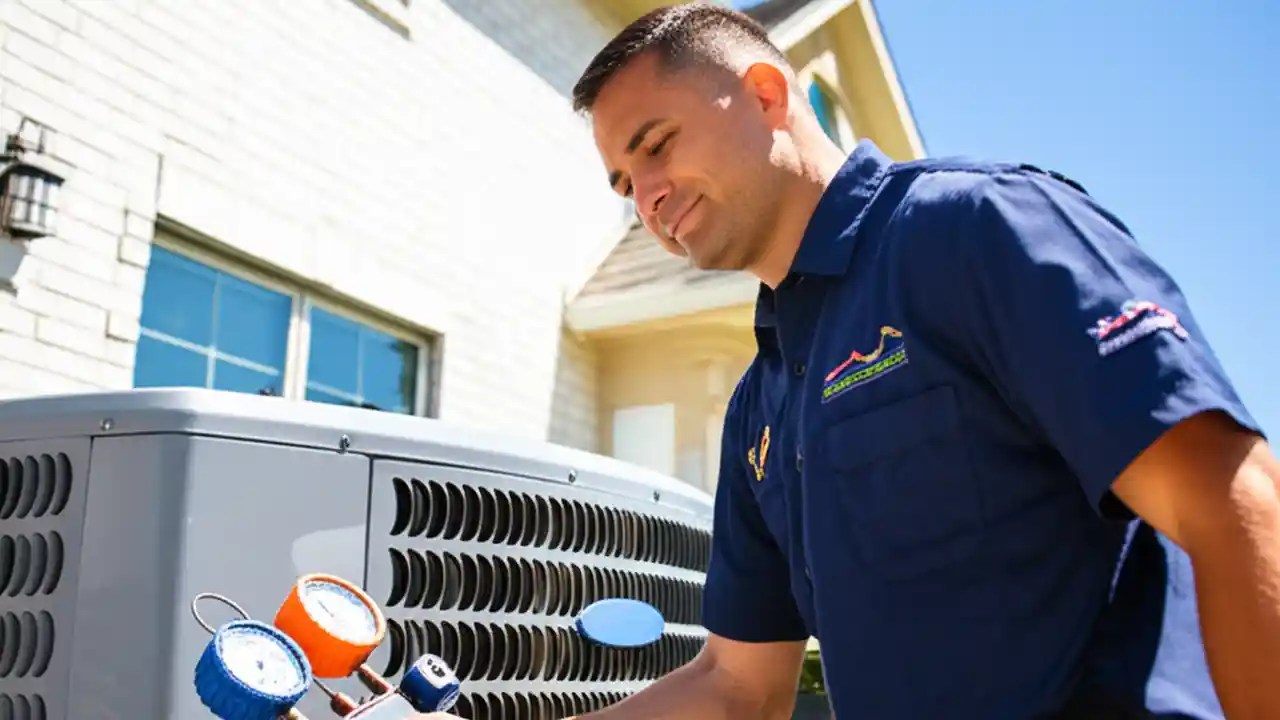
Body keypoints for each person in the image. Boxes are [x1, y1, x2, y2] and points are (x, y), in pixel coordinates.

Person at [417, 3, 1280, 719]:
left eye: (656, 144)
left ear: (764, 94)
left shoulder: (972, 231)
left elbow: (1233, 503)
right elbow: (736, 687)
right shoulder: (761, 404)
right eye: (622, 182)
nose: (647, 198)